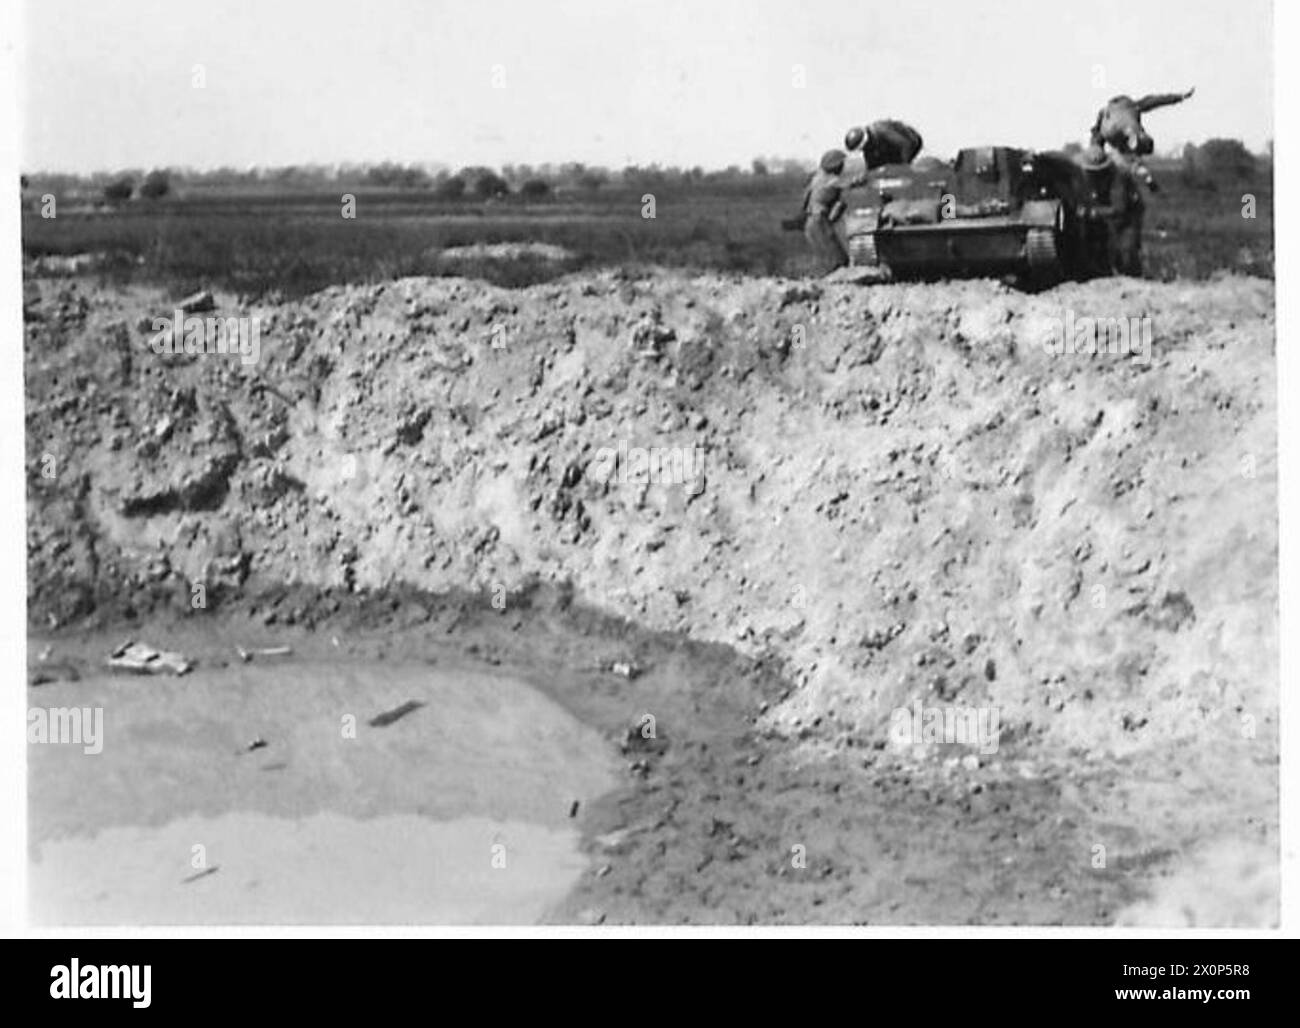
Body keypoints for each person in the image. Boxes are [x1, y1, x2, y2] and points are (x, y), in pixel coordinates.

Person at [1089, 88, 1194, 190]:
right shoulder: (1134, 106)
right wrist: (1180, 97)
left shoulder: (1107, 110)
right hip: (1123, 132)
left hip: (1109, 131)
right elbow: (1156, 101)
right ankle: (1139, 159)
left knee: (1124, 159)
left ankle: (1141, 173)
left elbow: (1096, 132)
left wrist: (1096, 148)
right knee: (1132, 151)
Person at [800, 149, 870, 272]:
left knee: (832, 259)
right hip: (819, 222)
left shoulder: (816, 177)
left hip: (812, 221)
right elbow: (851, 183)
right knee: (838, 261)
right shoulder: (831, 180)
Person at [843, 119, 924, 169]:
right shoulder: (869, 146)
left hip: (911, 141)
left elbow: (905, 145)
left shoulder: (882, 131)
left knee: (896, 165)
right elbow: (870, 163)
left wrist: (905, 166)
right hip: (889, 147)